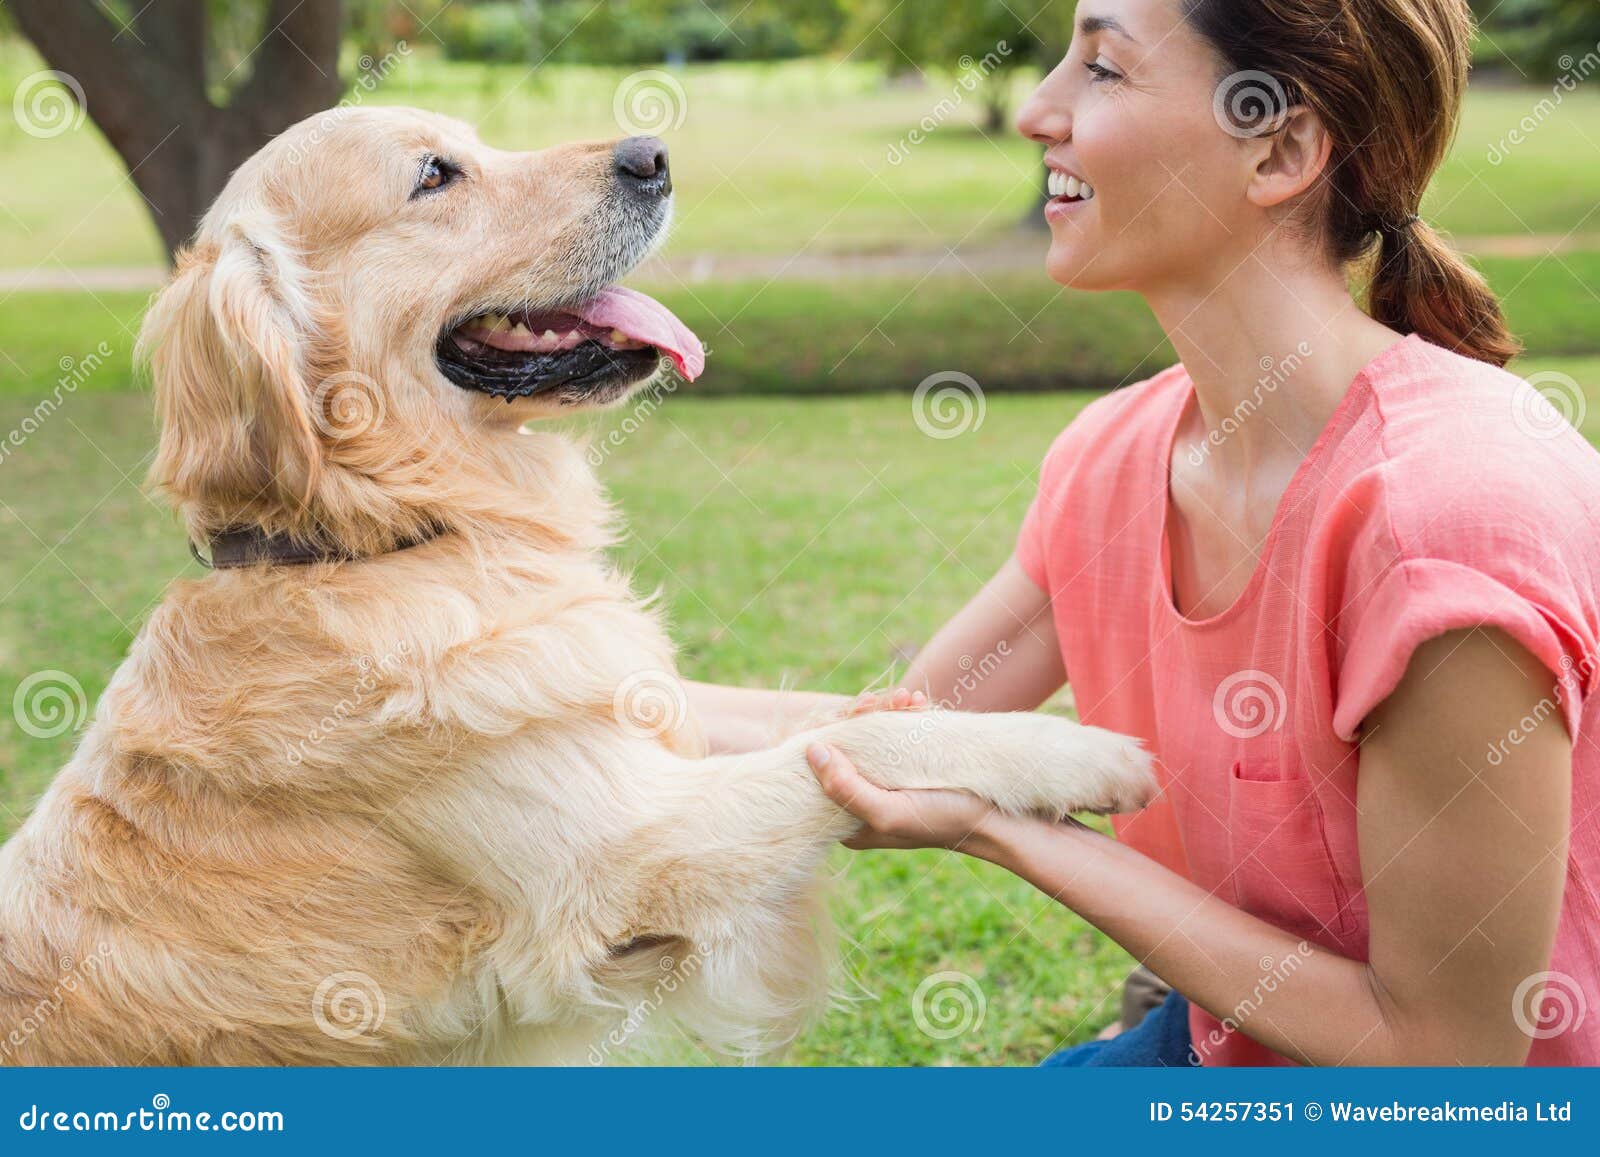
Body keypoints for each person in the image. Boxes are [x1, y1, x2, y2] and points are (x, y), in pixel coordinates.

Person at [690, 0, 1600, 1066]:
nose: (1036, 110)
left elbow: (1448, 1060)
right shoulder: (1112, 458)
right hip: (1229, 1049)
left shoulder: (1441, 516)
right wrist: (558, 696)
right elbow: (903, 731)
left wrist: (1004, 824)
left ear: (1283, 146)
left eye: (1104, 69)